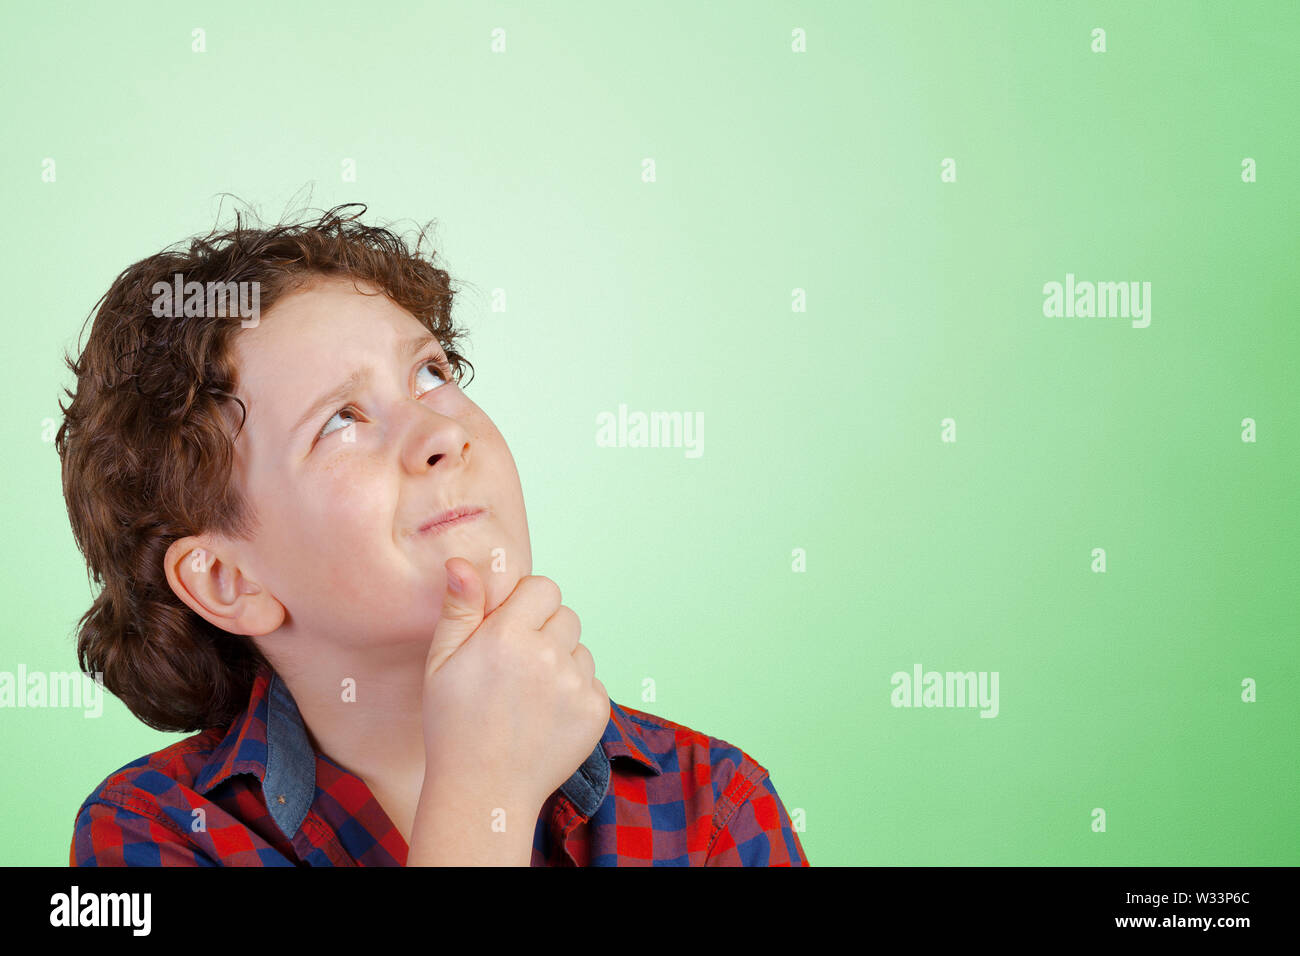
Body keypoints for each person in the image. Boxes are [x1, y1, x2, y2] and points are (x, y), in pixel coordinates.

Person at [59, 204, 809, 866]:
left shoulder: (714, 806)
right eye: (340, 420)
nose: (442, 433)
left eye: (428, 374)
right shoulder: (152, 833)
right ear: (232, 581)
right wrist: (488, 794)